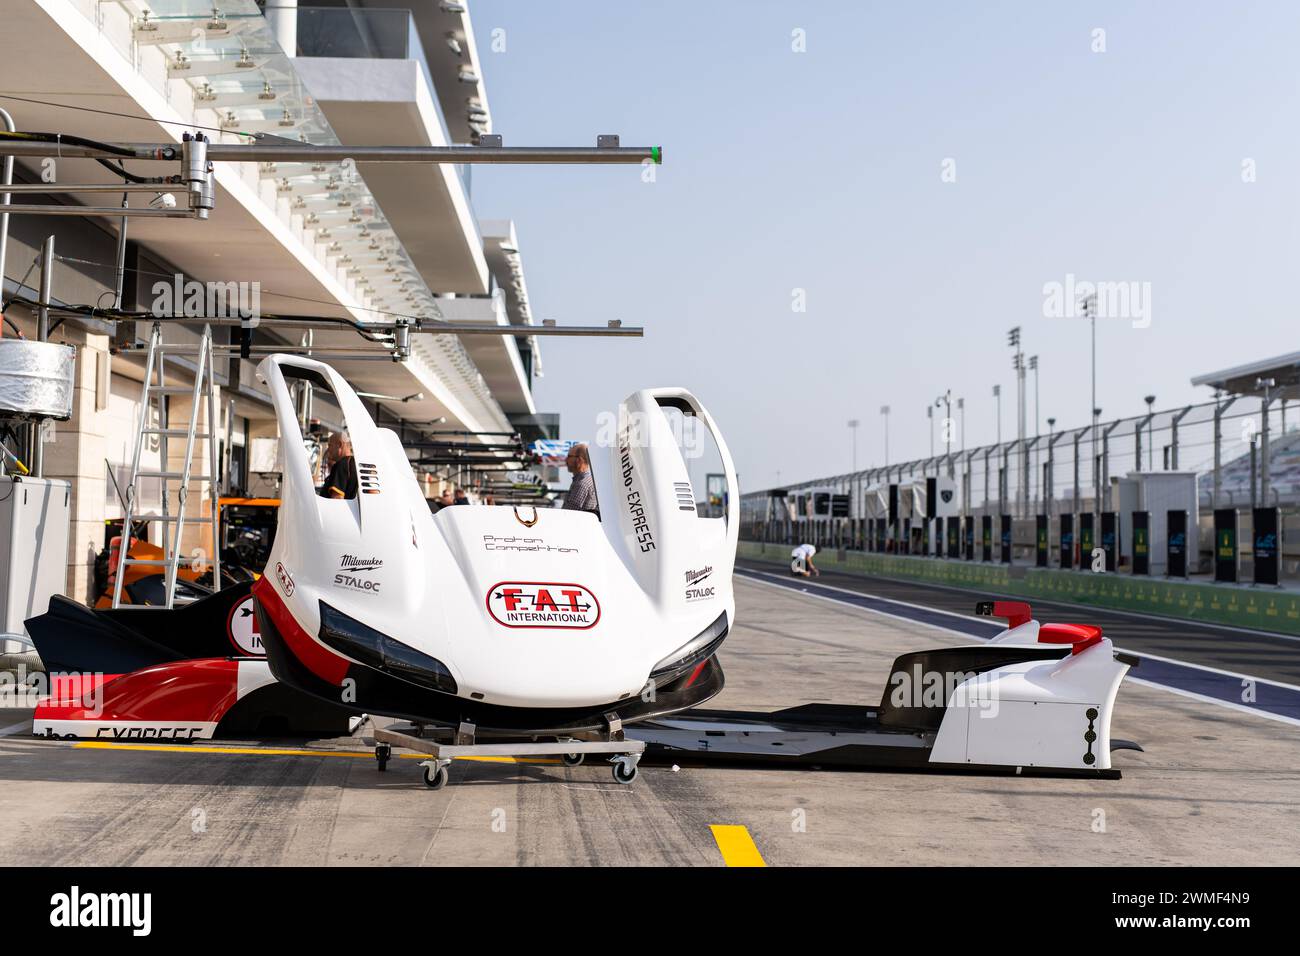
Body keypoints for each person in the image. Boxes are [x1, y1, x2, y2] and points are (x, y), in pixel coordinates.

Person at [562, 443, 599, 515]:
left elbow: (568, 514)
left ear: (579, 460)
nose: (565, 459)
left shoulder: (582, 484)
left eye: (569, 456)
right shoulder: (586, 480)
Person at [319, 431, 357, 499]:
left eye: (330, 445)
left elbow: (337, 500)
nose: (328, 449)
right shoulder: (357, 464)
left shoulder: (341, 465)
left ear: (339, 444)